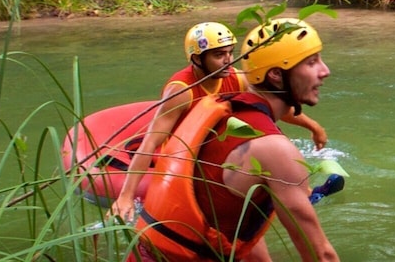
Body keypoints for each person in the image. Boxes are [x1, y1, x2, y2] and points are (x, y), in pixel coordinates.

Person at [132, 18, 340, 261]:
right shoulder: (275, 149)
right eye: (311, 62)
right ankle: (305, 193)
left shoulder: (230, 108)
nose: (325, 71)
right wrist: (125, 197)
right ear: (274, 74)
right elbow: (322, 256)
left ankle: (305, 192)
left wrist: (313, 126)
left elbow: (241, 237)